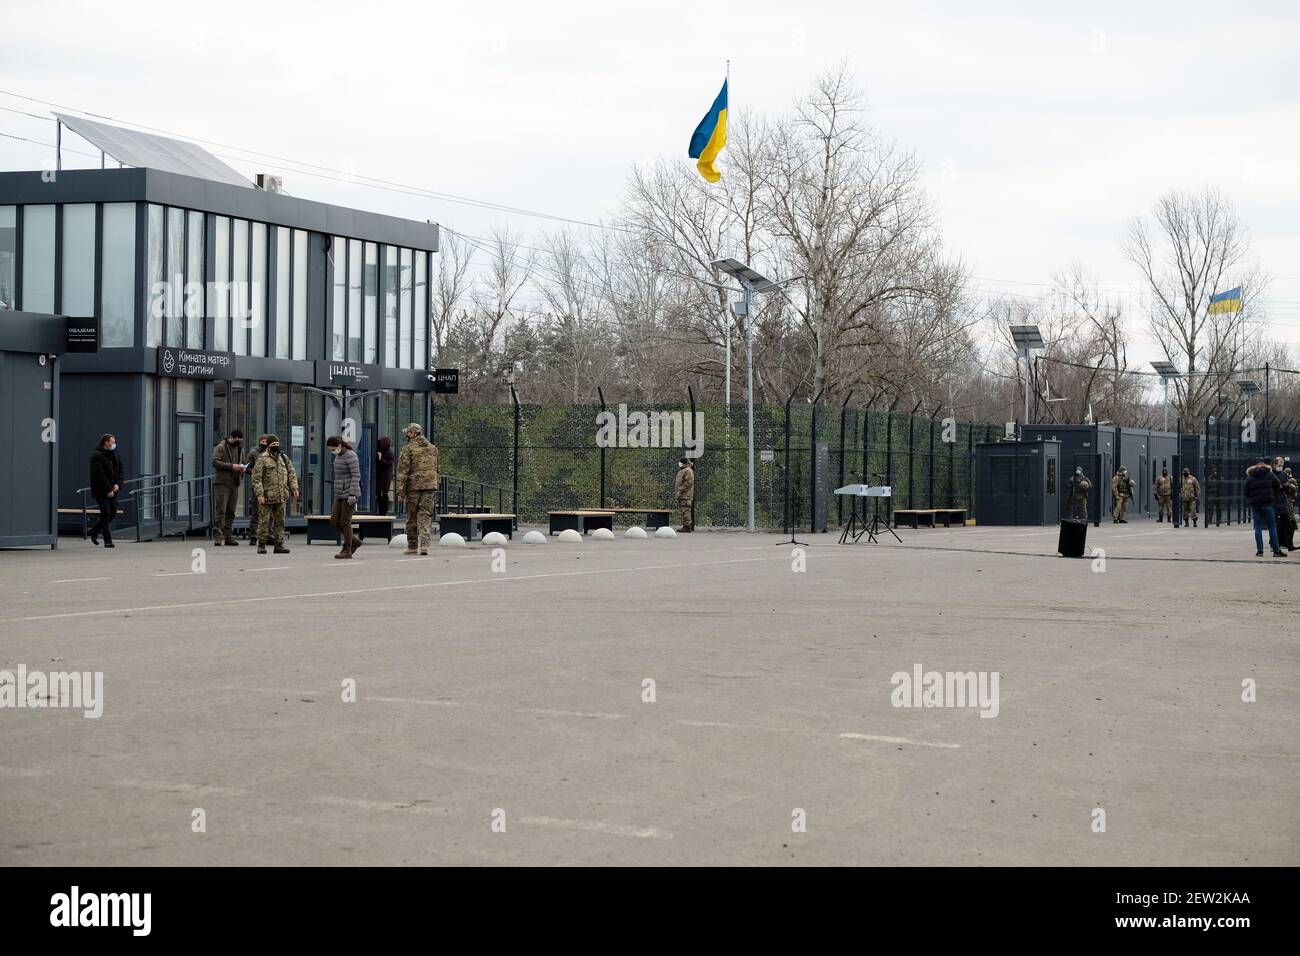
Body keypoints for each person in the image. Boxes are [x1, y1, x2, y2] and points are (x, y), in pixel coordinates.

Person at [395, 422, 439, 555]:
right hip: (430, 485)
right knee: (426, 515)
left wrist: (400, 491)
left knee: (412, 515)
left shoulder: (408, 449)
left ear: (413, 433)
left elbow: (402, 471)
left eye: (408, 433)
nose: (407, 435)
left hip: (414, 487)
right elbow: (437, 468)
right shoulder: (433, 448)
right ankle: (425, 546)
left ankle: (412, 546)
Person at [251, 435, 299, 554]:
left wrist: (294, 487)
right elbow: (257, 479)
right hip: (267, 495)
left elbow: (291, 472)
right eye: (273, 445)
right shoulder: (262, 458)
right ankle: (261, 545)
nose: (275, 446)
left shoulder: (283, 457)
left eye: (277, 444)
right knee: (264, 521)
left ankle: (278, 544)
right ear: (268, 445)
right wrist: (260, 494)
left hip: (281, 494)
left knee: (280, 521)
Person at [326, 435, 362, 559]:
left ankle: (347, 548)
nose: (332, 451)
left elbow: (356, 476)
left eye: (333, 448)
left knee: (345, 521)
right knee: (334, 520)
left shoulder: (351, 456)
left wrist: (352, 494)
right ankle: (354, 541)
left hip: (349, 493)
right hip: (340, 492)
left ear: (340, 446)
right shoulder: (338, 456)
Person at [211, 429, 248, 546]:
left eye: (240, 440)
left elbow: (243, 462)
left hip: (234, 483)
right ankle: (218, 536)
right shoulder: (221, 447)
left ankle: (228, 536)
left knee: (231, 512)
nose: (238, 442)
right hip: (222, 483)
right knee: (221, 510)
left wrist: (243, 468)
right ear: (231, 437)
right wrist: (232, 466)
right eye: (236, 440)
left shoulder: (240, 449)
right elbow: (215, 462)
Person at [88, 433, 124, 548]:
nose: (114, 444)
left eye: (114, 442)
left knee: (112, 512)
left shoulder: (115, 455)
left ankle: (94, 530)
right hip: (101, 490)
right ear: (106, 442)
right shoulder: (97, 455)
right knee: (106, 512)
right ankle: (108, 540)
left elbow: (120, 471)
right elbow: (99, 475)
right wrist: (108, 489)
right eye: (112, 442)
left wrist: (118, 484)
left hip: (113, 489)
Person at [1244, 459, 1285, 558]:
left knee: (1258, 527)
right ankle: (1276, 551)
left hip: (1256, 505)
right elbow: (1278, 484)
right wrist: (1271, 493)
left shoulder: (1250, 476)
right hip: (1268, 504)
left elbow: (1246, 492)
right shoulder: (1269, 474)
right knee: (1272, 526)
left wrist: (1252, 498)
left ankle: (1260, 551)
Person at [245, 434, 269, 537]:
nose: (264, 444)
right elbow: (247, 468)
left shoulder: (272, 452)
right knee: (256, 512)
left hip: (269, 486)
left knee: (269, 512)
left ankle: (268, 534)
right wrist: (255, 471)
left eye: (266, 442)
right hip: (257, 485)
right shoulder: (253, 453)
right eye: (262, 442)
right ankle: (254, 535)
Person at [1272, 457, 1295, 552]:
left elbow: (1287, 488)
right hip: (1275, 502)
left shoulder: (1283, 474)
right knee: (1277, 525)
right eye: (1279, 465)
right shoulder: (1271, 474)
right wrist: (1281, 486)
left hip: (1283, 502)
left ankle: (1289, 545)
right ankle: (1275, 546)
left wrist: (1288, 486)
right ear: (1274, 464)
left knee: (1289, 525)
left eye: (1282, 465)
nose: (1280, 467)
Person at [374, 436, 395, 516]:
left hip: (385, 478)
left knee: (384, 494)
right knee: (378, 494)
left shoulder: (389, 453)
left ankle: (383, 512)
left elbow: (389, 464)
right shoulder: (379, 451)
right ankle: (380, 511)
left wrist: (380, 459)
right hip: (378, 477)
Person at [674, 456, 695, 532]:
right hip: (682, 495)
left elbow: (689, 482)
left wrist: (680, 490)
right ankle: (685, 525)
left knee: (686, 510)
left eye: (681, 463)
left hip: (686, 495)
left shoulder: (688, 471)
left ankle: (687, 526)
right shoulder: (683, 470)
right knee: (683, 510)